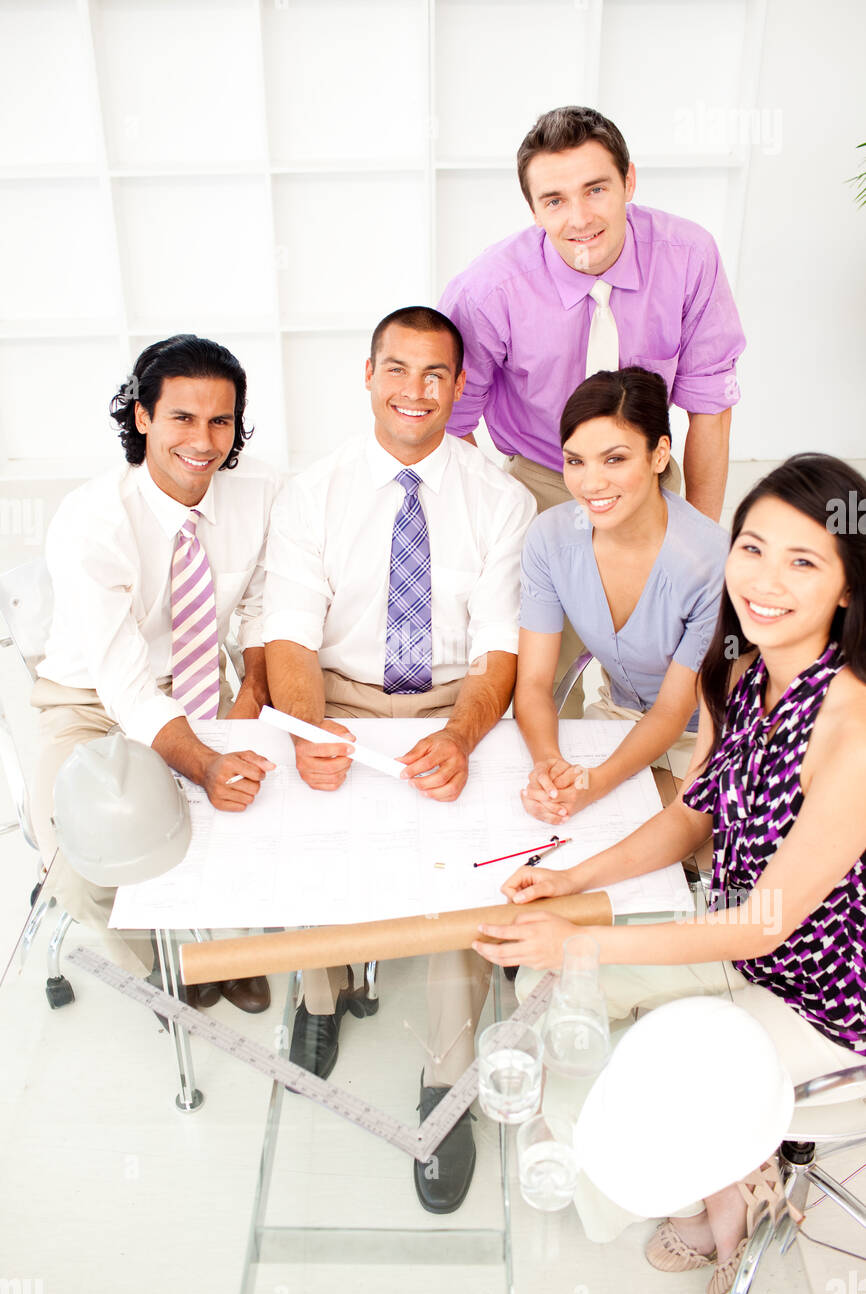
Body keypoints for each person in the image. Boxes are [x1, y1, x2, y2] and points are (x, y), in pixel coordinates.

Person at [474, 453, 866, 1294]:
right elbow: (695, 813)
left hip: (828, 996)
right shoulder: (744, 665)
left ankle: (734, 1189)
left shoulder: (855, 725)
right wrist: (573, 881)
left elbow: (767, 920)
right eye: (752, 548)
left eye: (804, 561)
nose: (764, 580)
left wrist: (584, 938)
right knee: (547, 992)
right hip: (740, 938)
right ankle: (717, 1172)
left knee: (625, 1043)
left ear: (846, 586)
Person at [263, 305, 536, 1213]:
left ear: (461, 387)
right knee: (304, 839)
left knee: (459, 879)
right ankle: (321, 995)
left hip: (452, 704)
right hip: (337, 696)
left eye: (435, 374)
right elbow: (291, 639)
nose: (414, 391)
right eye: (397, 370)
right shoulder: (312, 491)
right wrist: (310, 730)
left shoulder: (503, 500)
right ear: (369, 375)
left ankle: (445, 1086)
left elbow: (501, 651)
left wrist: (460, 735)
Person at [32, 334, 278, 1013]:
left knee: (256, 812)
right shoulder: (93, 520)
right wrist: (203, 762)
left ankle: (228, 944)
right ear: (142, 417)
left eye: (220, 421)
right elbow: (124, 686)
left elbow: (260, 605)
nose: (203, 441)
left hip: (200, 681)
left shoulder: (258, 492)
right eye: (182, 418)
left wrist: (254, 691)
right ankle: (162, 963)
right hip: (90, 700)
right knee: (87, 861)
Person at [440, 105, 745, 523]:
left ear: (628, 181)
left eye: (596, 189)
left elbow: (711, 407)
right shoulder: (487, 292)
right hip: (540, 479)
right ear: (534, 210)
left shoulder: (690, 258)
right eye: (555, 201)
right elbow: (450, 420)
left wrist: (702, 542)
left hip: (647, 474)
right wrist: (492, 519)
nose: (580, 219)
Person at [516, 367, 727, 830]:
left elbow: (675, 712)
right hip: (618, 718)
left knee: (680, 848)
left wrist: (593, 784)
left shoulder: (710, 562)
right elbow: (533, 682)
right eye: (576, 461)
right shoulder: (550, 539)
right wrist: (549, 765)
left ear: (659, 455)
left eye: (614, 459)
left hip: (713, 734)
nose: (591, 484)